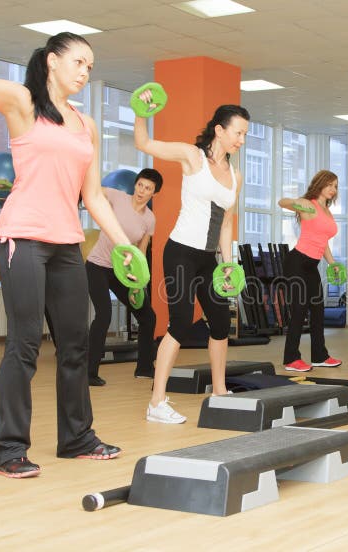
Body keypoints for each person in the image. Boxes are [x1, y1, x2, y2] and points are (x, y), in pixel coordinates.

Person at [0, 27, 130, 477]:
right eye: (78, 62)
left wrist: (124, 246)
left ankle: (77, 438)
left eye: (90, 67)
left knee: (75, 343)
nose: (85, 72)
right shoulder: (23, 102)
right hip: (23, 237)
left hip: (67, 243)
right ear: (52, 61)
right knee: (23, 343)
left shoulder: (86, 125)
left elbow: (94, 196)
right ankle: (6, 450)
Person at [134, 101, 248, 423]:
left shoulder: (235, 175)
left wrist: (227, 265)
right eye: (238, 133)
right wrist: (142, 112)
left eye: (244, 135)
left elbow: (226, 223)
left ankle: (220, 391)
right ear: (219, 130)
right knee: (181, 323)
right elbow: (144, 143)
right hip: (181, 251)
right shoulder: (192, 156)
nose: (241, 140)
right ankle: (156, 402)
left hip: (208, 258)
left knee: (221, 322)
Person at [86, 169, 162, 386]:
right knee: (104, 315)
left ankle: (144, 368)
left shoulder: (150, 219)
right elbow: (93, 190)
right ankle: (89, 373)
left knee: (148, 316)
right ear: (135, 185)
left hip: (123, 273)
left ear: (154, 193)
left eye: (148, 188)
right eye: (140, 185)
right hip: (97, 266)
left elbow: (142, 252)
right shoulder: (118, 197)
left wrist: (138, 284)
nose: (142, 191)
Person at [277, 170, 344, 372]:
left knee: (318, 309)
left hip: (312, 265)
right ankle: (291, 359)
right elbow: (282, 202)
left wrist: (332, 263)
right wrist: (299, 205)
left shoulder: (327, 211)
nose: (333, 189)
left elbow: (323, 241)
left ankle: (319, 355)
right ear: (320, 184)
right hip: (296, 262)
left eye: (335, 186)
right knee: (299, 310)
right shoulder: (309, 204)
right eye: (329, 185)